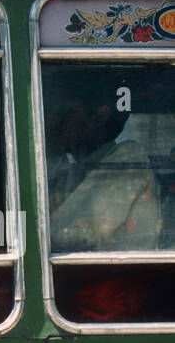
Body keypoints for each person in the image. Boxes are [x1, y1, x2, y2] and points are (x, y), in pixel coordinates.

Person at [46, 73, 160, 254]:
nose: (55, 123)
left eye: (66, 114)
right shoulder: (73, 169)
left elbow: (80, 234)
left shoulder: (128, 157)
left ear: (100, 117)